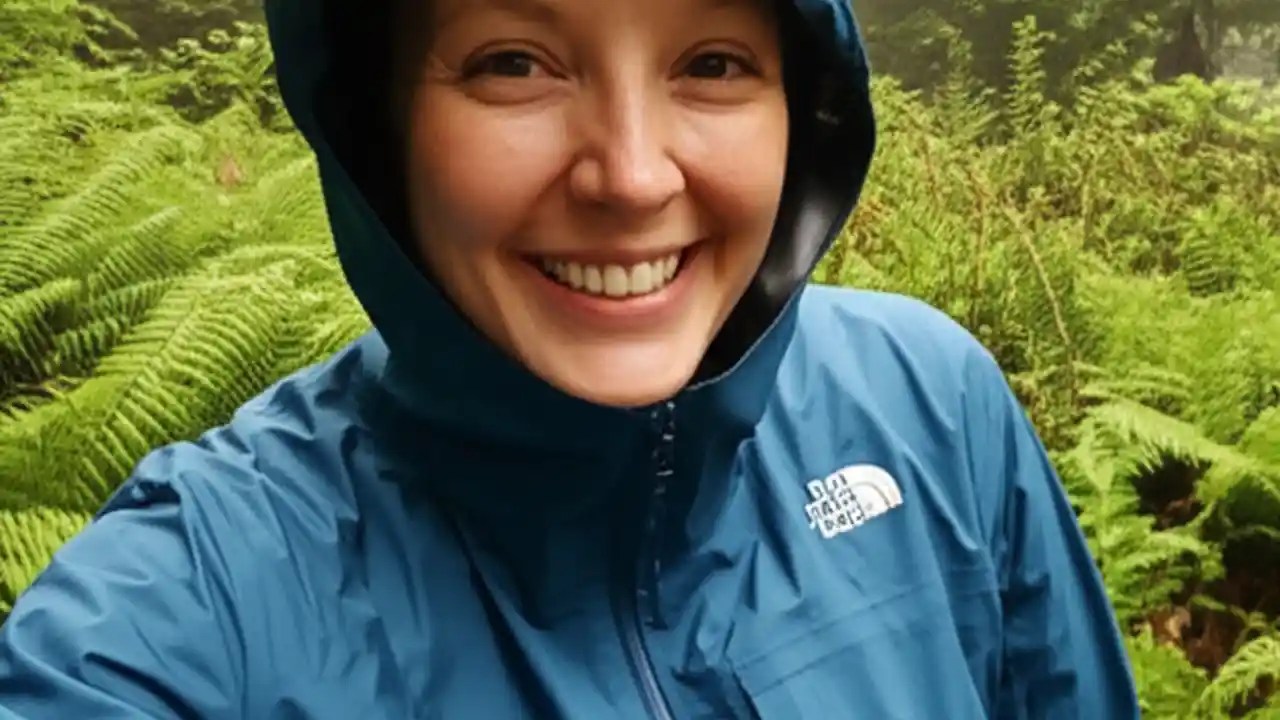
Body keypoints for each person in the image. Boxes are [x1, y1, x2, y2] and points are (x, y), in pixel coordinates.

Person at [0, 0, 1142, 717]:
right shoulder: (207, 595)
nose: (632, 175)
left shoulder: (927, 405)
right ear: (378, 124)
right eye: (512, 62)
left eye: (709, 61)